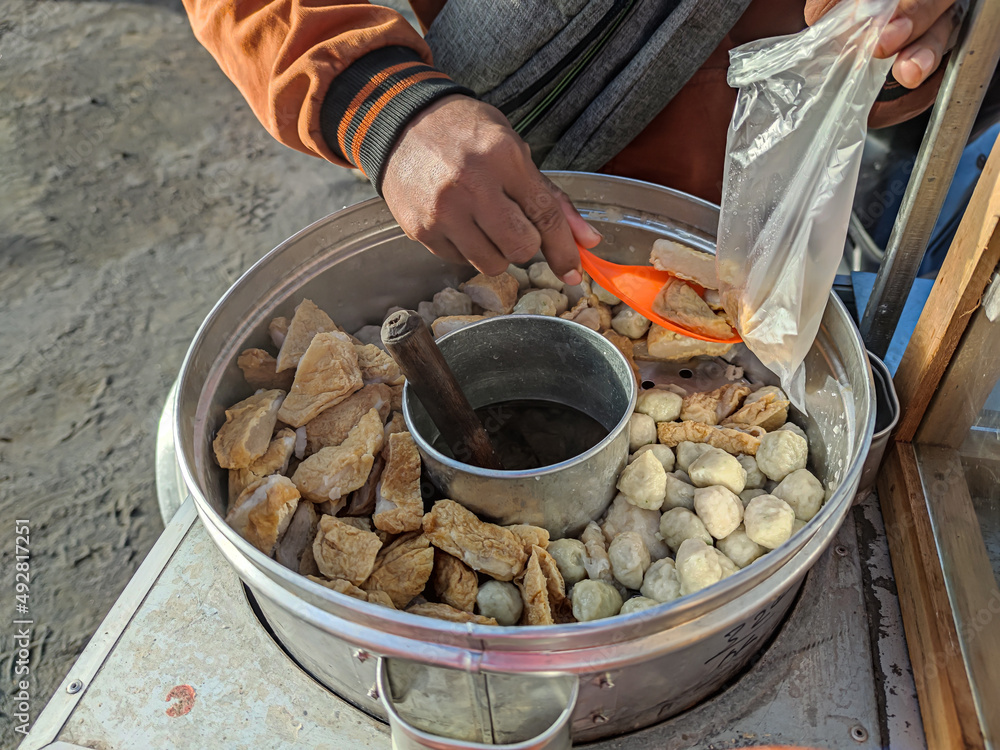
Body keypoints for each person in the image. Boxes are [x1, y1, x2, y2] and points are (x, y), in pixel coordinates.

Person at [181, 0, 960, 285]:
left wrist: (885, 62)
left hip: (717, 218)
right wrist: (380, 103)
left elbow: (909, 51)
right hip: (461, 169)